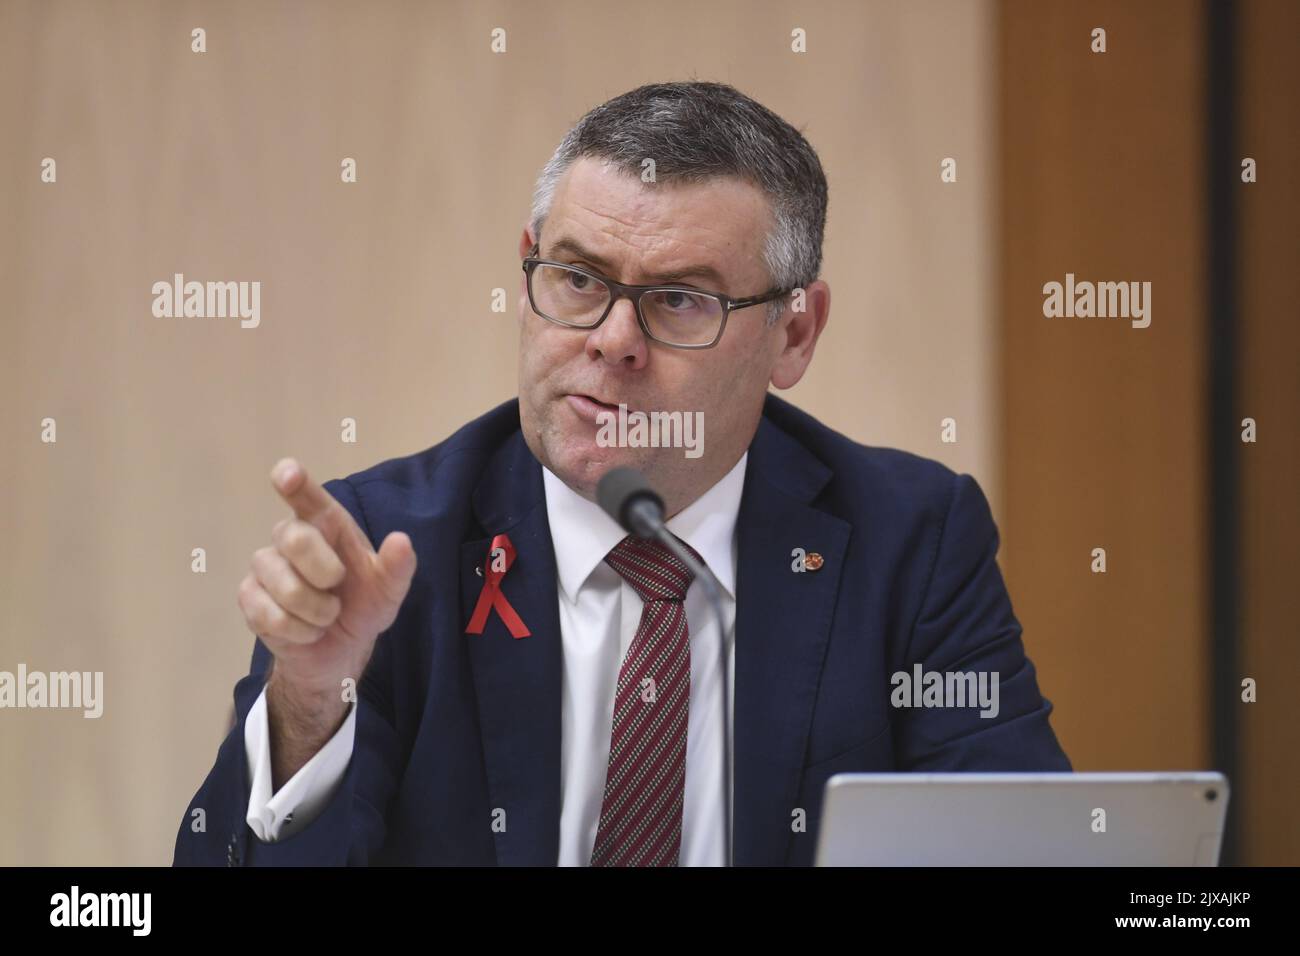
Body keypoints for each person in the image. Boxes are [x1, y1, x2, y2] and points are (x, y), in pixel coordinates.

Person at [174, 80, 1070, 868]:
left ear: (793, 332)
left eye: (680, 300)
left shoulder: (911, 540)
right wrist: (309, 701)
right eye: (577, 279)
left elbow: (1018, 846)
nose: (611, 340)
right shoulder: (387, 548)